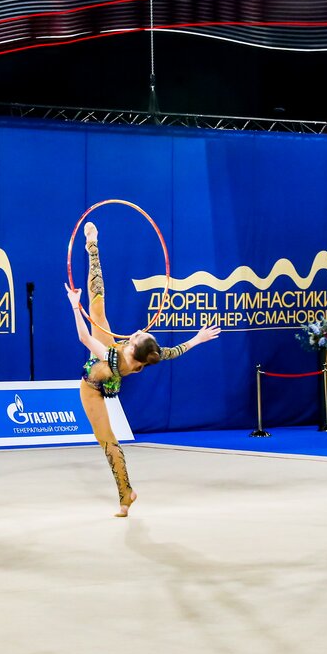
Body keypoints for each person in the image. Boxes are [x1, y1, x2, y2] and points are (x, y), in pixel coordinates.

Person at [66, 221, 220, 516]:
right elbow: (174, 351)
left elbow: (84, 337)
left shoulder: (115, 358)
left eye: (137, 336)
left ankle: (126, 493)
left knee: (108, 442)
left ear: (132, 348)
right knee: (97, 306)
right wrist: (197, 339)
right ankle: (92, 244)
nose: (136, 331)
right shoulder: (148, 355)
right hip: (107, 367)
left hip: (93, 385)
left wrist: (75, 305)